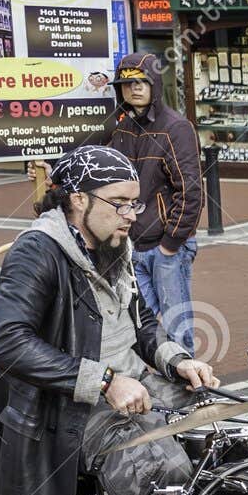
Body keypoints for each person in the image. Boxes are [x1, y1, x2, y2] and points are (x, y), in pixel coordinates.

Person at [0, 146, 219, 495]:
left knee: (215, 422)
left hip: (130, 383)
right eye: (119, 203)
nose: (132, 215)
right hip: (70, 406)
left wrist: (178, 361)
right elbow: (5, 340)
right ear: (78, 199)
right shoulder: (38, 251)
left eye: (134, 203)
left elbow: (141, 323)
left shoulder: (112, 243)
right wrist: (104, 381)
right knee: (160, 468)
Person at [83, 53, 203, 352]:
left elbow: (189, 191)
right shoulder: (121, 125)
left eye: (141, 82)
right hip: (132, 245)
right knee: (139, 324)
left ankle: (190, 388)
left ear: (154, 84)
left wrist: (170, 243)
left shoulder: (175, 127)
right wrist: (49, 166)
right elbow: (85, 155)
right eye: (126, 83)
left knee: (177, 328)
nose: (133, 89)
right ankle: (157, 388)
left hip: (165, 247)